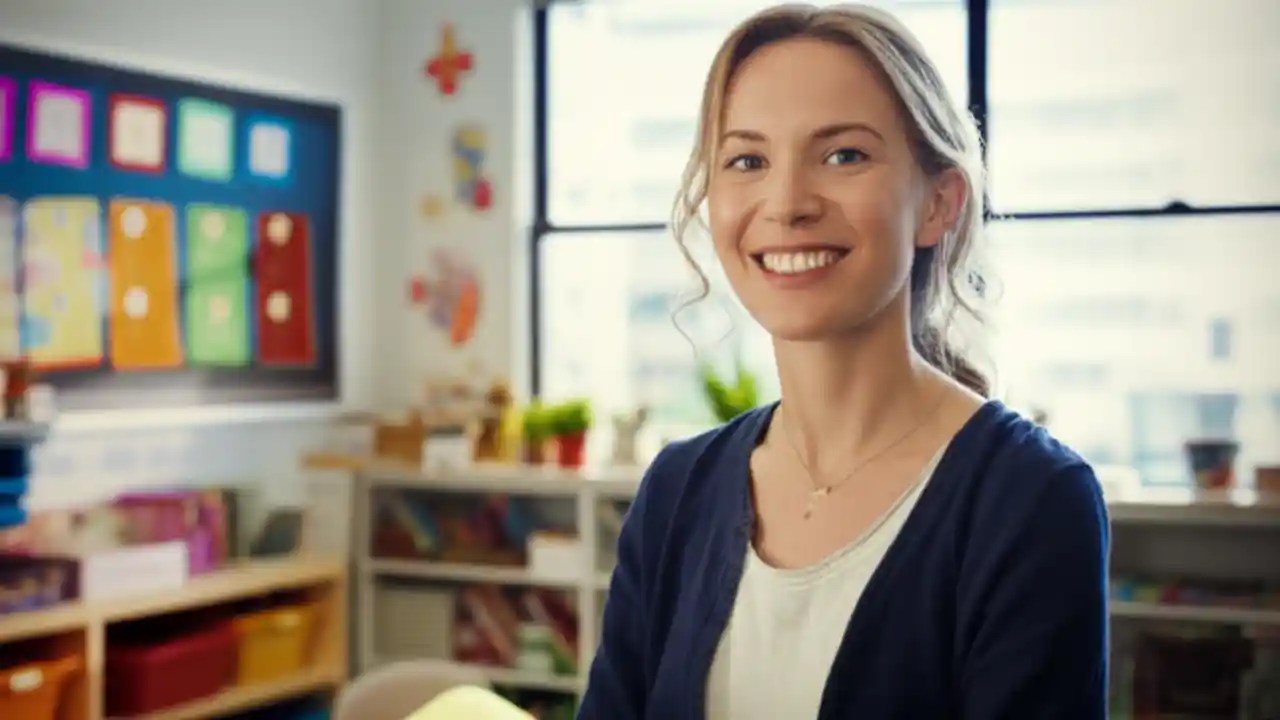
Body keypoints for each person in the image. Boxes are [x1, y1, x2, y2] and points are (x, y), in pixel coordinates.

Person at [578, 3, 1109, 719]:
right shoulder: (676, 492)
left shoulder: (1030, 499)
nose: (787, 201)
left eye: (844, 155)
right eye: (747, 160)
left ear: (937, 203)